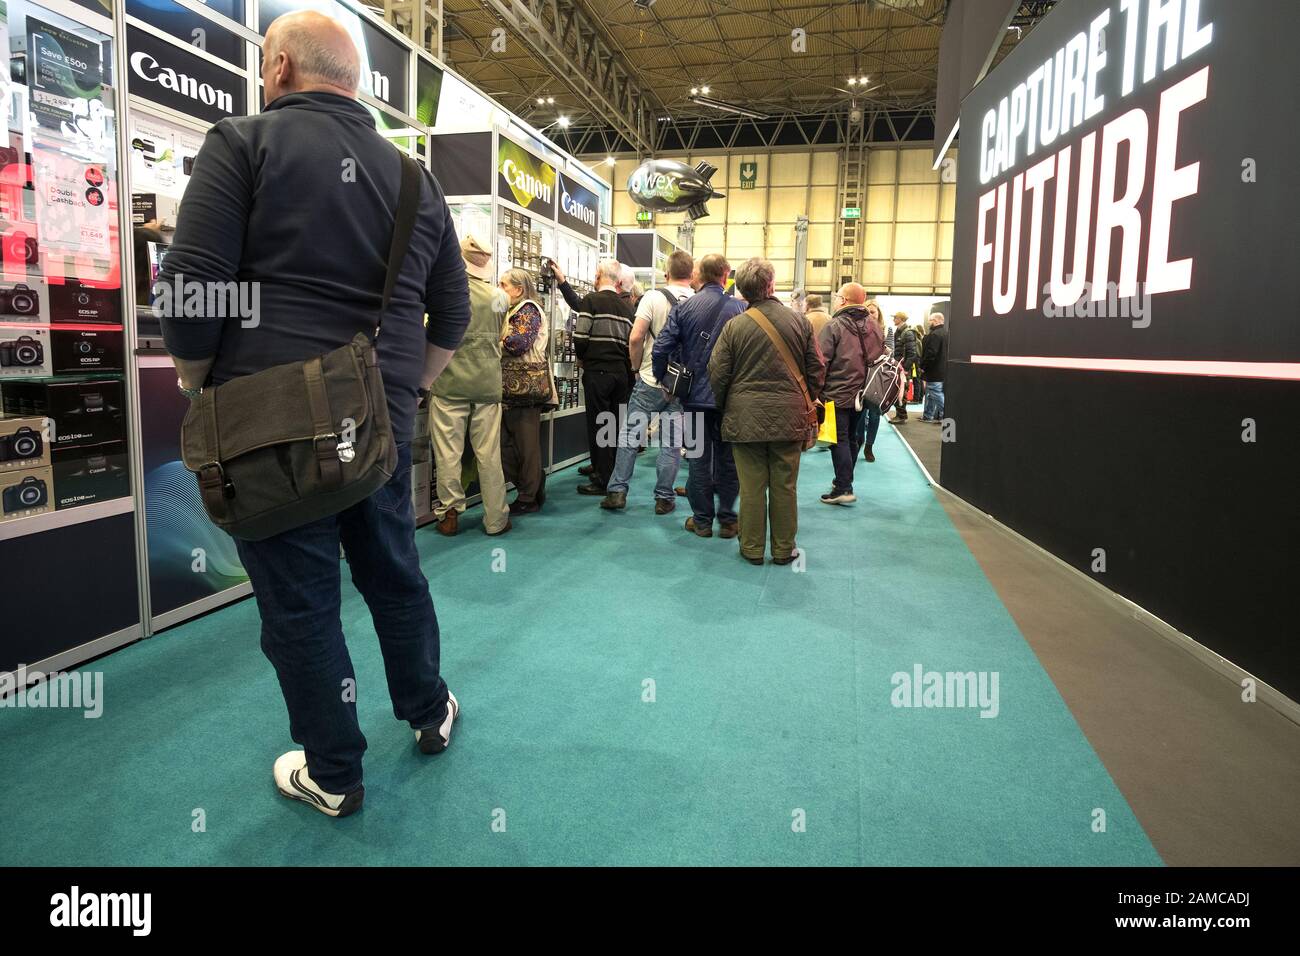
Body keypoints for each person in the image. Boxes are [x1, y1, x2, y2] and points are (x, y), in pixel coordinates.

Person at [158, 11, 469, 818]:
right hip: (378, 430)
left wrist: (199, 383)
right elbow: (455, 316)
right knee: (394, 575)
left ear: (281, 66)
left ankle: (334, 772)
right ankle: (429, 712)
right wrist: (408, 390)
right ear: (356, 81)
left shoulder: (243, 144)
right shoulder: (415, 179)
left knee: (300, 604)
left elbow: (190, 291)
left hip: (267, 429)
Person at [709, 258, 826, 565]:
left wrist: (728, 406)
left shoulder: (734, 326)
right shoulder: (799, 322)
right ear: (771, 284)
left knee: (751, 488)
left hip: (744, 419)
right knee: (785, 487)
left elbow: (717, 374)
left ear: (743, 289)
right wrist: (805, 398)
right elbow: (817, 369)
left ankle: (751, 548)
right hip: (790, 418)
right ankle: (784, 549)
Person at [652, 253, 744, 538]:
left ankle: (702, 521)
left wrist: (663, 380)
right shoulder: (742, 309)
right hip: (731, 399)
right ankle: (728, 520)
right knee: (729, 460)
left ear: (698, 276)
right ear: (726, 275)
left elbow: (661, 348)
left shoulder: (684, 307)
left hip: (693, 398)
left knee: (699, 458)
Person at [428, 237, 510, 537]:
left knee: (448, 452)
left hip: (449, 381)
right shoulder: (500, 296)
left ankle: (449, 514)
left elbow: (431, 333)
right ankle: (496, 519)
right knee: (489, 454)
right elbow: (503, 336)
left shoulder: (447, 292)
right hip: (487, 384)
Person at [602, 250, 694, 513]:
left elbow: (636, 337)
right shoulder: (699, 301)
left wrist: (635, 367)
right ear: (691, 274)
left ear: (667, 273)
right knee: (671, 443)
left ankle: (617, 492)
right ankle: (664, 498)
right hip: (681, 384)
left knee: (630, 436)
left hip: (650, 379)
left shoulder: (652, 298)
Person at [554, 258, 635, 494]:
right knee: (614, 425)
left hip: (597, 372)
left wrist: (582, 358)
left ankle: (602, 479)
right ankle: (611, 474)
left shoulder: (591, 300)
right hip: (620, 373)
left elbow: (580, 337)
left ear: (598, 275)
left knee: (599, 424)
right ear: (618, 280)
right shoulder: (627, 307)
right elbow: (631, 343)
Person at [499, 268, 556, 513]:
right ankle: (531, 484)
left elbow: (518, 344)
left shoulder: (528, 310)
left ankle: (528, 496)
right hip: (512, 389)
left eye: (504, 285)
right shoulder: (516, 310)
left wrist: (491, 341)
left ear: (519, 289)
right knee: (506, 445)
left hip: (525, 389)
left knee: (526, 446)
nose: (499, 290)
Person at [818, 285, 881, 503]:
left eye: (837, 297)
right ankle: (844, 482)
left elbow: (821, 361)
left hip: (838, 392)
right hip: (865, 392)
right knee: (852, 438)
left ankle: (843, 488)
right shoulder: (875, 326)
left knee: (840, 439)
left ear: (844, 300)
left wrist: (816, 390)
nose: (835, 300)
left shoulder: (834, 325)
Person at [857, 299, 888, 463]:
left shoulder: (885, 330)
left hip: (879, 377)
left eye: (873, 311)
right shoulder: (858, 329)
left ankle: (869, 446)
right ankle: (859, 440)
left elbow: (890, 352)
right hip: (862, 376)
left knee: (875, 414)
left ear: (878, 314)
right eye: (867, 311)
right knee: (860, 413)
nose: (870, 314)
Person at [919, 312, 948, 422]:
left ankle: (946, 415)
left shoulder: (934, 335)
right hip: (942, 370)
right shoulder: (946, 333)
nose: (929, 323)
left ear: (935, 321)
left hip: (933, 370)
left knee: (935, 392)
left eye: (930, 320)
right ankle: (928, 415)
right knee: (931, 393)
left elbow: (931, 354)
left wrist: (923, 366)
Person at [891, 311, 918, 422]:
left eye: (895, 318)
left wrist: (906, 369)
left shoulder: (907, 333)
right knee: (898, 390)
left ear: (901, 319)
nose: (893, 320)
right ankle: (900, 414)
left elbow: (912, 353)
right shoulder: (899, 332)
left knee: (902, 391)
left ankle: (901, 416)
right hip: (898, 367)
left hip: (903, 368)